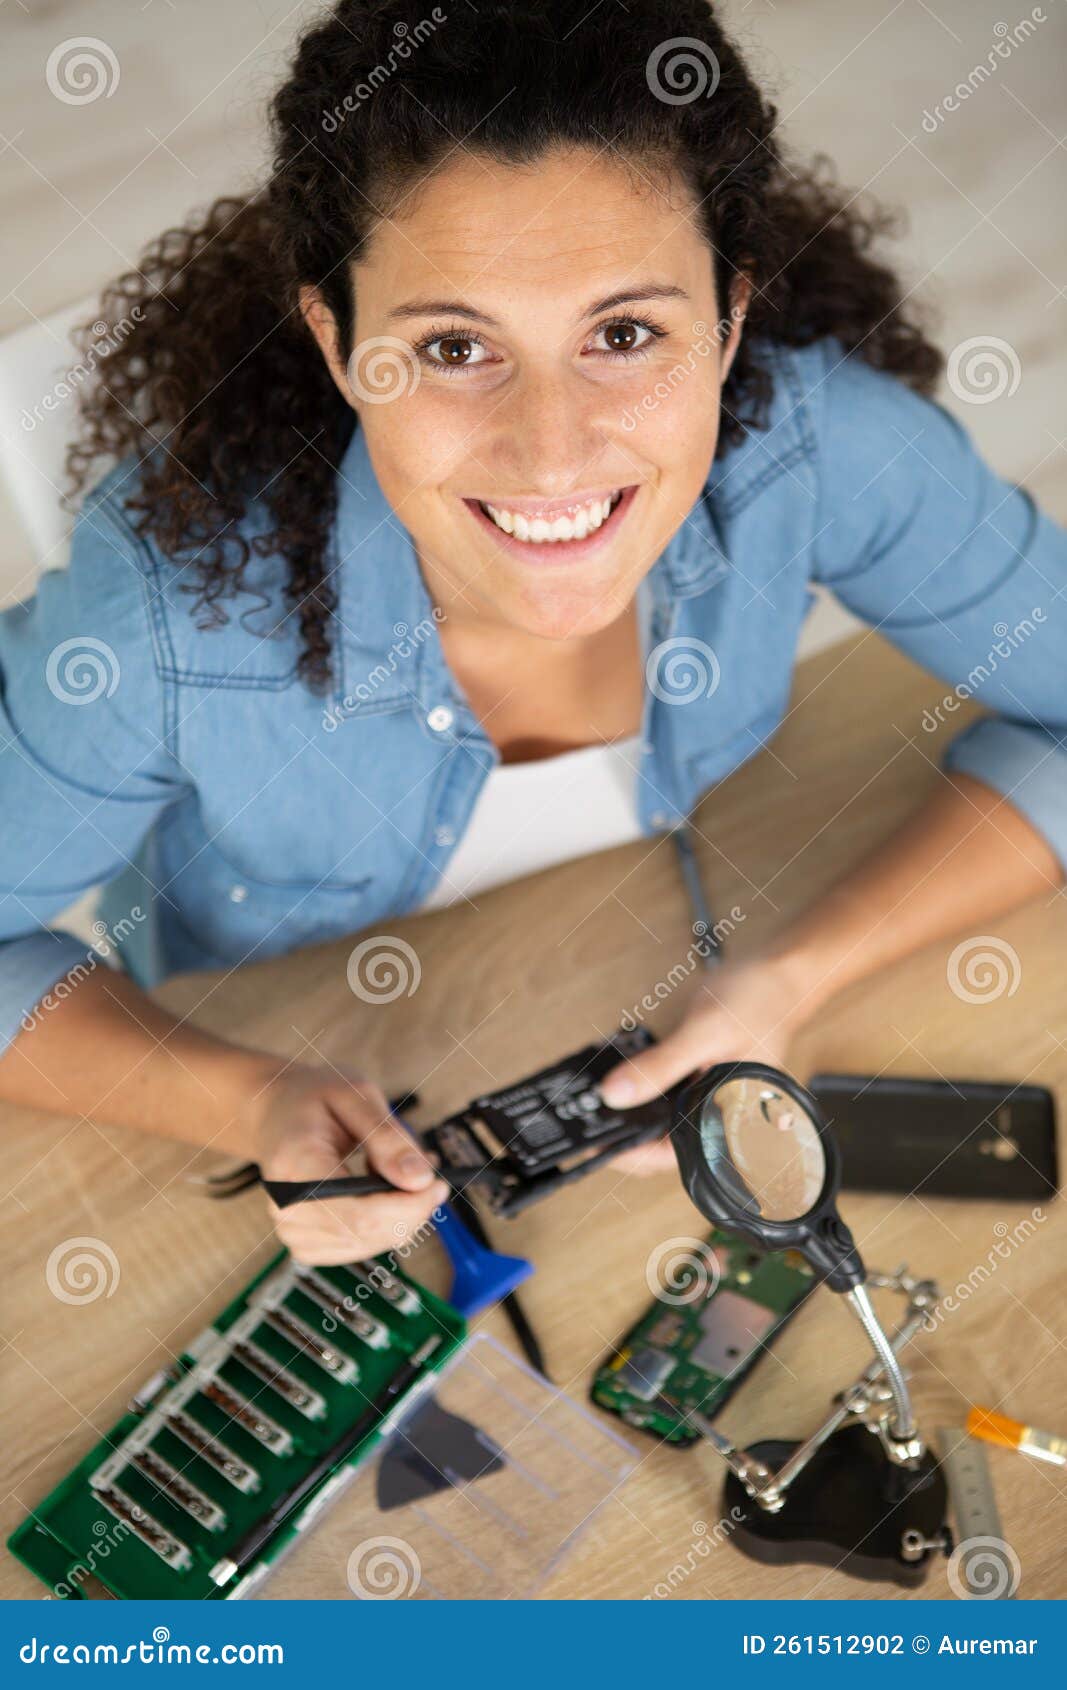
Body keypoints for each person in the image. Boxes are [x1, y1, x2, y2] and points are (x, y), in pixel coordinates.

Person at [2, 0, 1063, 1268]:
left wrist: (789, 978)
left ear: (726, 324)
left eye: (623, 335)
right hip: (304, 1026)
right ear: (337, 344)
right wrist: (246, 1099)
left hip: (638, 942)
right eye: (454, 346)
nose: (551, 452)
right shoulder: (161, 620)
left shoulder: (822, 443)